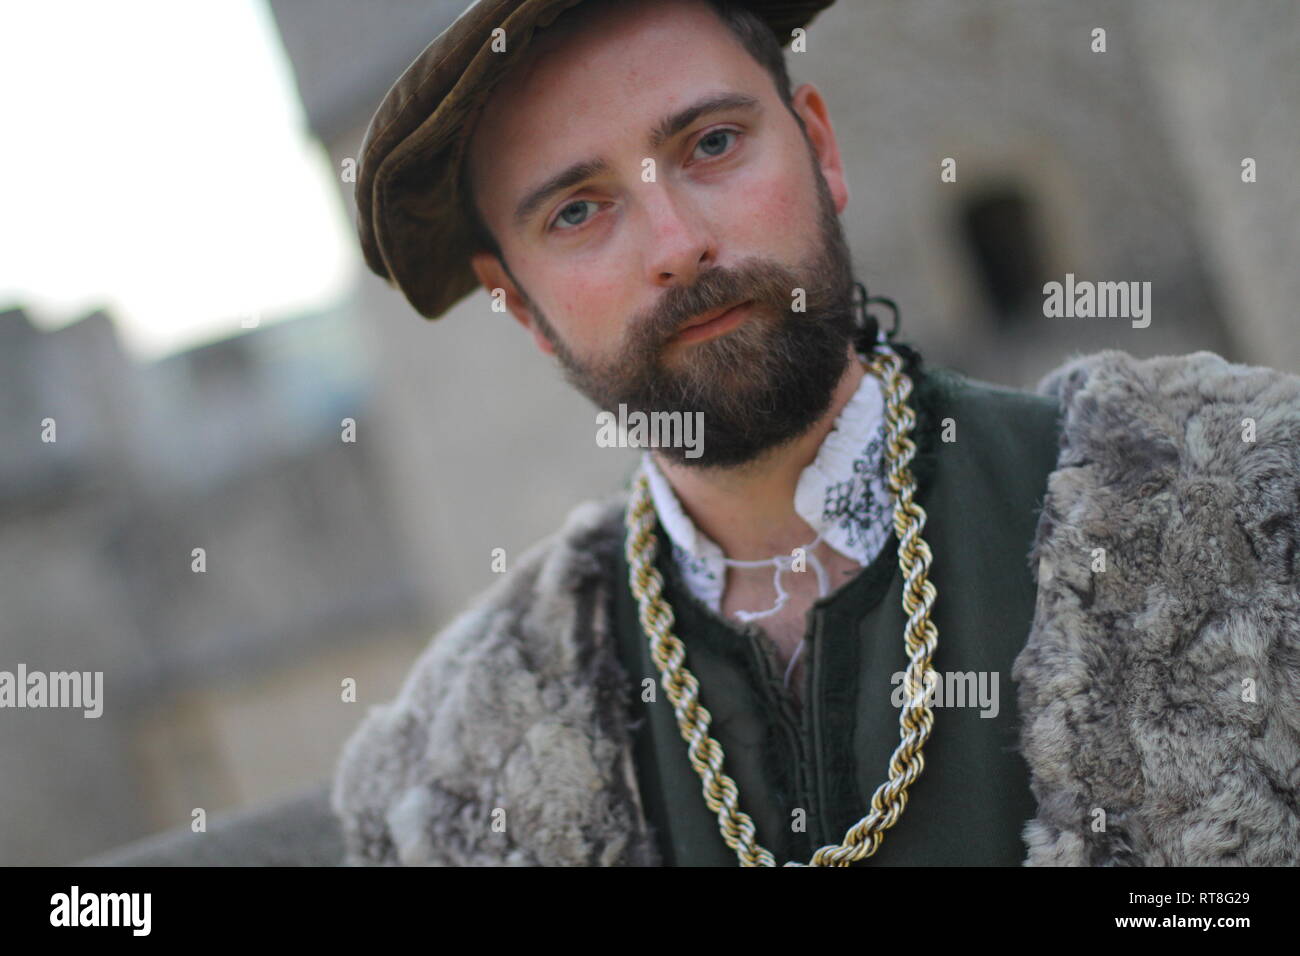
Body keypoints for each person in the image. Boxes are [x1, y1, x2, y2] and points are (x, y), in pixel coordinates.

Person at [331, 0, 1300, 866]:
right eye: (578, 210)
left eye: (711, 144)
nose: (677, 245)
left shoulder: (1250, 522)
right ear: (523, 309)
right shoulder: (454, 777)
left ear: (819, 149)